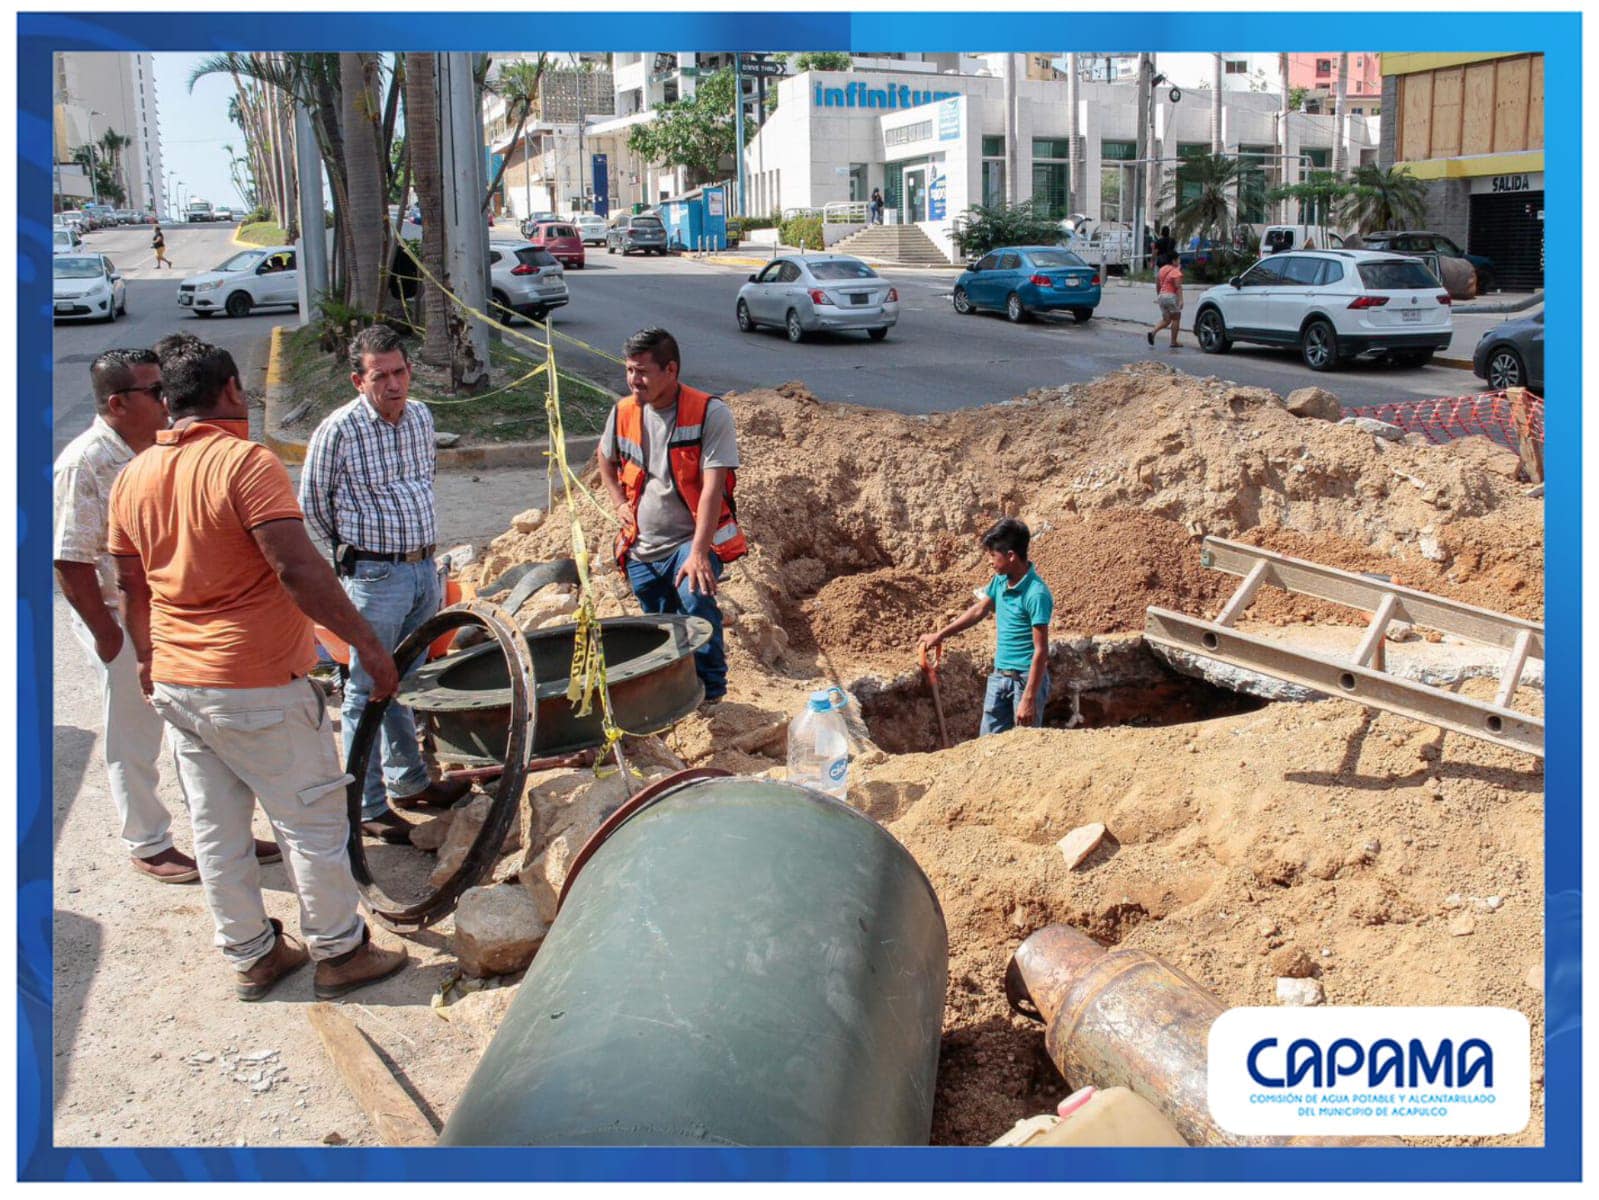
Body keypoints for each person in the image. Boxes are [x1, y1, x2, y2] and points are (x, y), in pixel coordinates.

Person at [106, 341, 409, 1001]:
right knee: (311, 822)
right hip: (256, 680)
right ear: (235, 392)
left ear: (167, 402)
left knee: (216, 830)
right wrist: (369, 646)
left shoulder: (133, 476)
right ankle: (339, 951)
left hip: (181, 684)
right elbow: (297, 568)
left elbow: (133, 587)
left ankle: (252, 955)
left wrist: (151, 660)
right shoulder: (245, 463)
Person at [53, 349, 275, 883]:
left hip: (171, 610)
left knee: (195, 728)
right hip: (119, 616)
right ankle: (148, 841)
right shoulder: (84, 462)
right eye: (153, 392)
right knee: (135, 733)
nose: (165, 400)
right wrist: (111, 640)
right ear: (116, 403)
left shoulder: (160, 443)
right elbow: (70, 559)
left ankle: (223, 832)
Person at [299, 324, 470, 844]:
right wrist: (355, 557)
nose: (394, 384)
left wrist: (421, 559)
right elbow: (313, 506)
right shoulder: (339, 430)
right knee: (367, 688)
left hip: (422, 569)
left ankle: (409, 781)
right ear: (359, 380)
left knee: (408, 681)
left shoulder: (420, 417)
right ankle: (367, 806)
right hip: (375, 574)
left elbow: (425, 482)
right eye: (381, 376)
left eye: (400, 372)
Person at [596, 328, 745, 708]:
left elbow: (712, 489)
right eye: (630, 370)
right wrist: (617, 501)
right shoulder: (623, 412)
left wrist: (697, 553)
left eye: (643, 371)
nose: (634, 380)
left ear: (671, 370)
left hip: (688, 541)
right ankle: (676, 693)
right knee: (659, 624)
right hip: (643, 544)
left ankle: (712, 694)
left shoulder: (709, 413)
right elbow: (605, 458)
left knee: (695, 600)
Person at [918, 518, 1053, 737]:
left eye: (993, 555)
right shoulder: (1000, 581)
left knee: (1022, 747)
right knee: (987, 745)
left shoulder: (1036, 594)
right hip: (1000, 676)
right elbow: (979, 610)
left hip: (1026, 681)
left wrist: (1029, 698)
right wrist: (941, 635)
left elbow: (1041, 650)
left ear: (1011, 556)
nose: (989, 561)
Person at [1147, 254, 1185, 349]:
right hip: (1170, 296)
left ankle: (1153, 332)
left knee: (1166, 320)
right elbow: (1178, 286)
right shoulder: (1175, 271)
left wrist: (1159, 296)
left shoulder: (1162, 269)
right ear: (1173, 261)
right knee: (1176, 318)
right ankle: (1173, 341)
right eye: (1178, 259)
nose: (1179, 261)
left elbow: (1157, 284)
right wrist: (1181, 300)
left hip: (1162, 296)